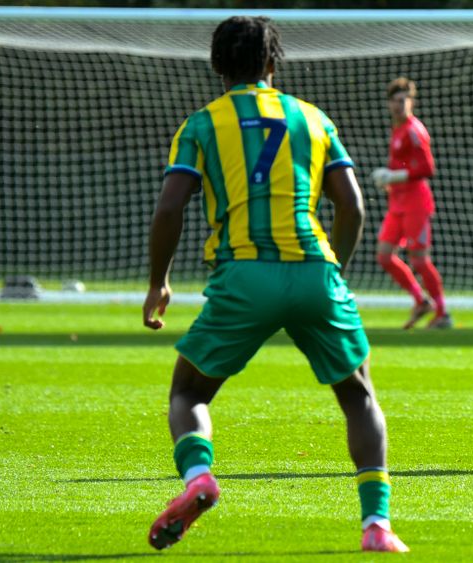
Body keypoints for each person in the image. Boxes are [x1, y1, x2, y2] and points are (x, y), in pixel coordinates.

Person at [141, 16, 409, 552]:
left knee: (188, 392)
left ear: (217, 66)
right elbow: (352, 205)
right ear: (271, 63)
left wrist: (158, 283)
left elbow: (170, 207)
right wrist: (333, 271)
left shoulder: (201, 125)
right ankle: (376, 526)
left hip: (244, 275)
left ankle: (199, 478)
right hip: (314, 269)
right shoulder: (312, 118)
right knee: (358, 396)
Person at [371, 77, 452, 330]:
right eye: (397, 100)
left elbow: (428, 168)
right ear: (389, 103)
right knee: (384, 255)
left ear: (412, 102)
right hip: (397, 202)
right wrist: (390, 179)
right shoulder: (397, 128)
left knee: (419, 260)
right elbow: (402, 163)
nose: (401, 104)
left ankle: (442, 313)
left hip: (416, 202)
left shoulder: (415, 130)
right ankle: (421, 300)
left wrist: (394, 176)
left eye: (405, 99)